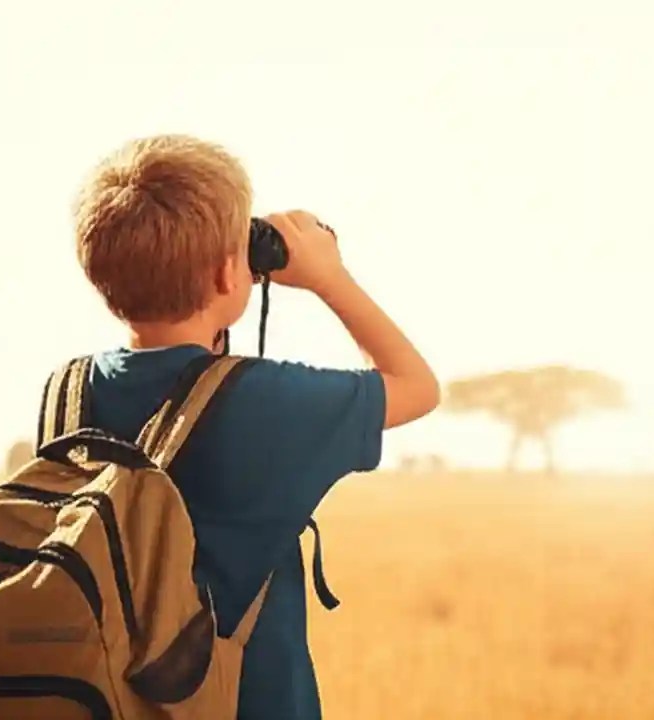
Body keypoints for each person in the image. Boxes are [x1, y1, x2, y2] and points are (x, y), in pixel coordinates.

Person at [70, 134, 439, 718]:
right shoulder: (263, 400)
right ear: (227, 273)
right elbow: (417, 386)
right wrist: (327, 275)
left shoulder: (68, 394)